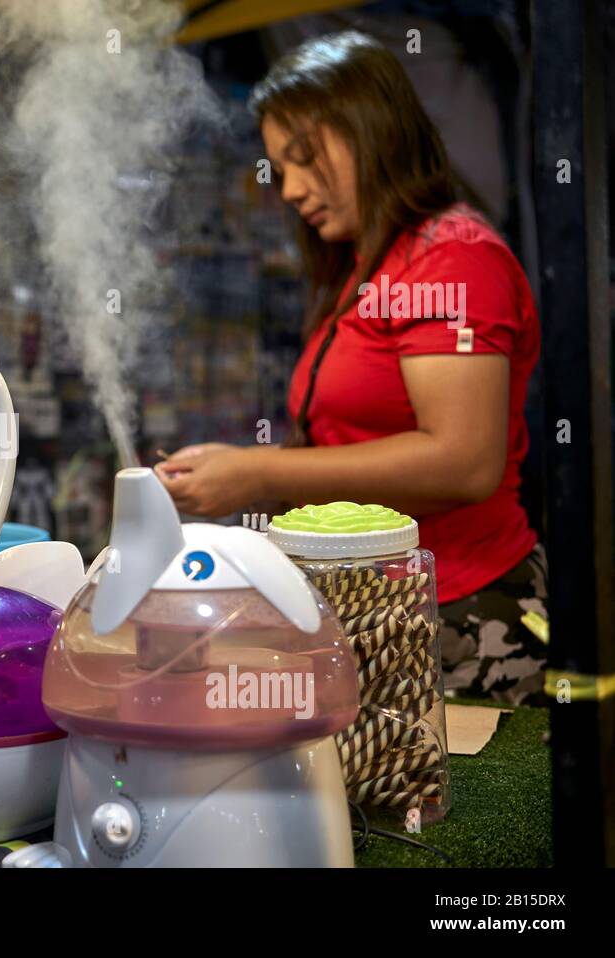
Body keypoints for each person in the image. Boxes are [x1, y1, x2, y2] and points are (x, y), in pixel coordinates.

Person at [156, 31, 546, 703]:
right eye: (281, 169)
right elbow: (355, 446)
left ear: (374, 132)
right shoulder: (370, 268)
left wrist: (254, 472)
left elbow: (464, 461)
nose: (292, 190)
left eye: (306, 158)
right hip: (380, 609)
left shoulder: (451, 258)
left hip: (462, 613)